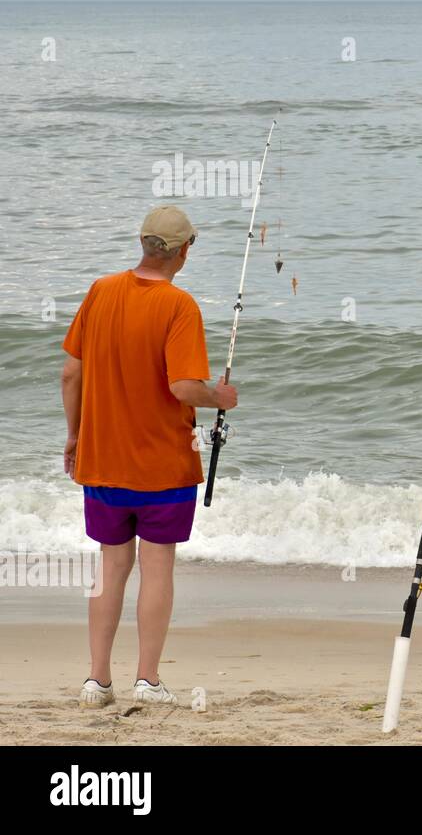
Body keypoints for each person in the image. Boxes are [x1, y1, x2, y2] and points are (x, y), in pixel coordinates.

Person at [61, 205, 237, 707]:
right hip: (163, 467)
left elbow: (70, 373)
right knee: (157, 568)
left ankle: (96, 681)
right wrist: (219, 397)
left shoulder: (100, 291)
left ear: (143, 244)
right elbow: (183, 387)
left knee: (111, 567)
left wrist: (75, 437)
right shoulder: (179, 305)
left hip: (104, 460)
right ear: (183, 251)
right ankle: (147, 680)